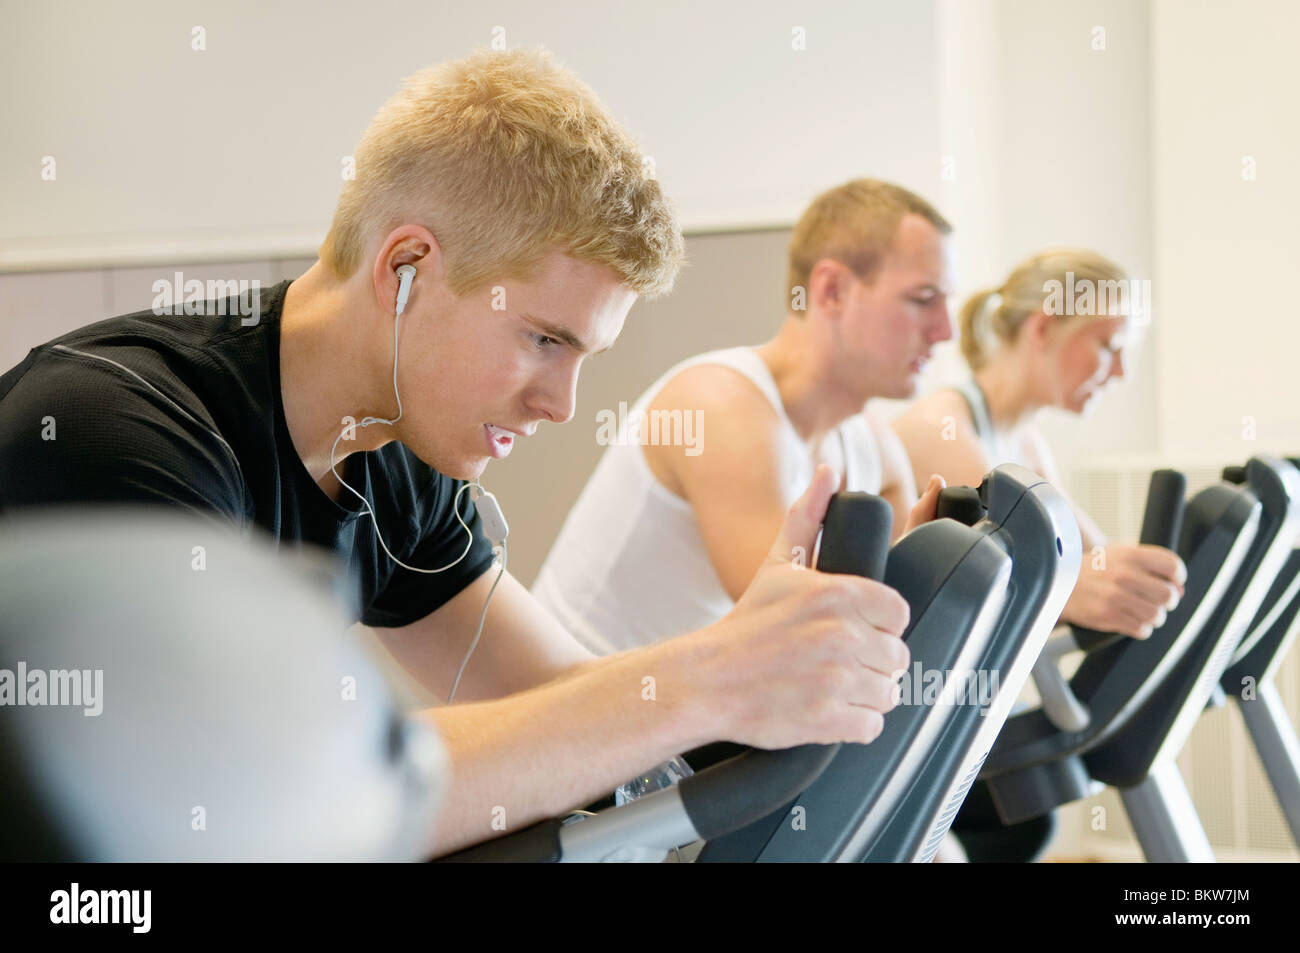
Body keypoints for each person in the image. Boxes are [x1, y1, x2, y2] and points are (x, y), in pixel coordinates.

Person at [0, 48, 912, 858]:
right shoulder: (112, 432)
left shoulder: (394, 459)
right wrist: (704, 679)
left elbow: (557, 698)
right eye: (544, 340)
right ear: (406, 269)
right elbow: (266, 801)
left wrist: (751, 658)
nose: (561, 404)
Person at [534, 179, 954, 656]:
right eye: (923, 299)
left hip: (691, 715)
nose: (946, 331)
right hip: (576, 709)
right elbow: (801, 635)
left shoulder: (871, 442)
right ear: (832, 290)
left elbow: (903, 623)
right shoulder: (717, 404)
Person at [892, 248, 1185, 642]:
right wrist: (1077, 588)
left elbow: (1090, 554)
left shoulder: (1025, 442)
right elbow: (1023, 576)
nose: (1122, 372)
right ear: (1043, 328)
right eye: (1108, 347)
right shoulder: (942, 427)